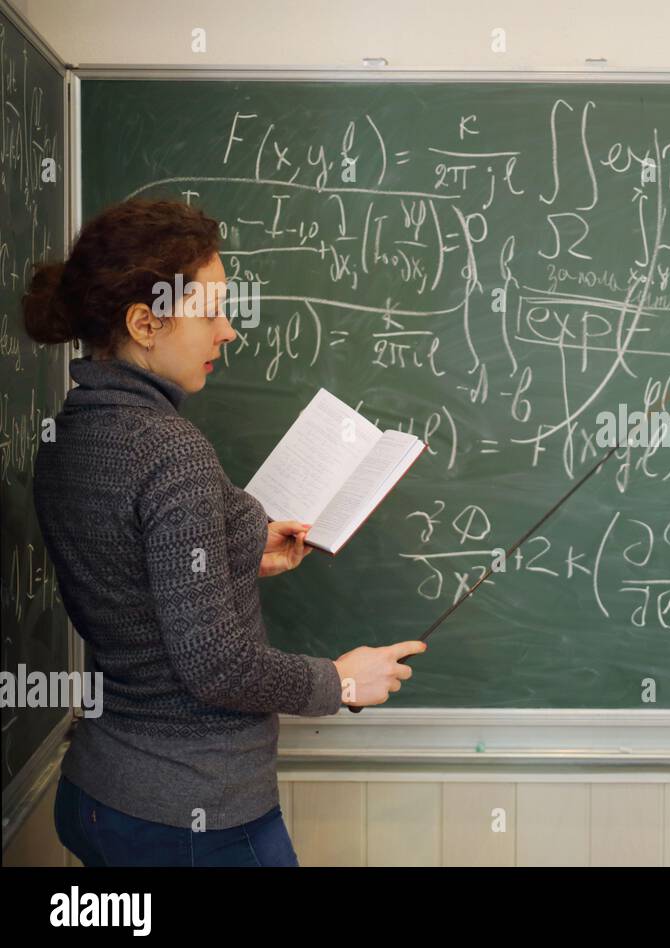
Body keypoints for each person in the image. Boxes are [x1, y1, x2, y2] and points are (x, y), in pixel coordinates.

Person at [23, 197, 425, 866]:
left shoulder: (69, 431)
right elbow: (213, 665)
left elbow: (131, 579)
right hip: (193, 816)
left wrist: (236, 548)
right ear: (145, 324)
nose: (228, 331)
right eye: (210, 311)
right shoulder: (169, 448)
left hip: (99, 794)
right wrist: (340, 682)